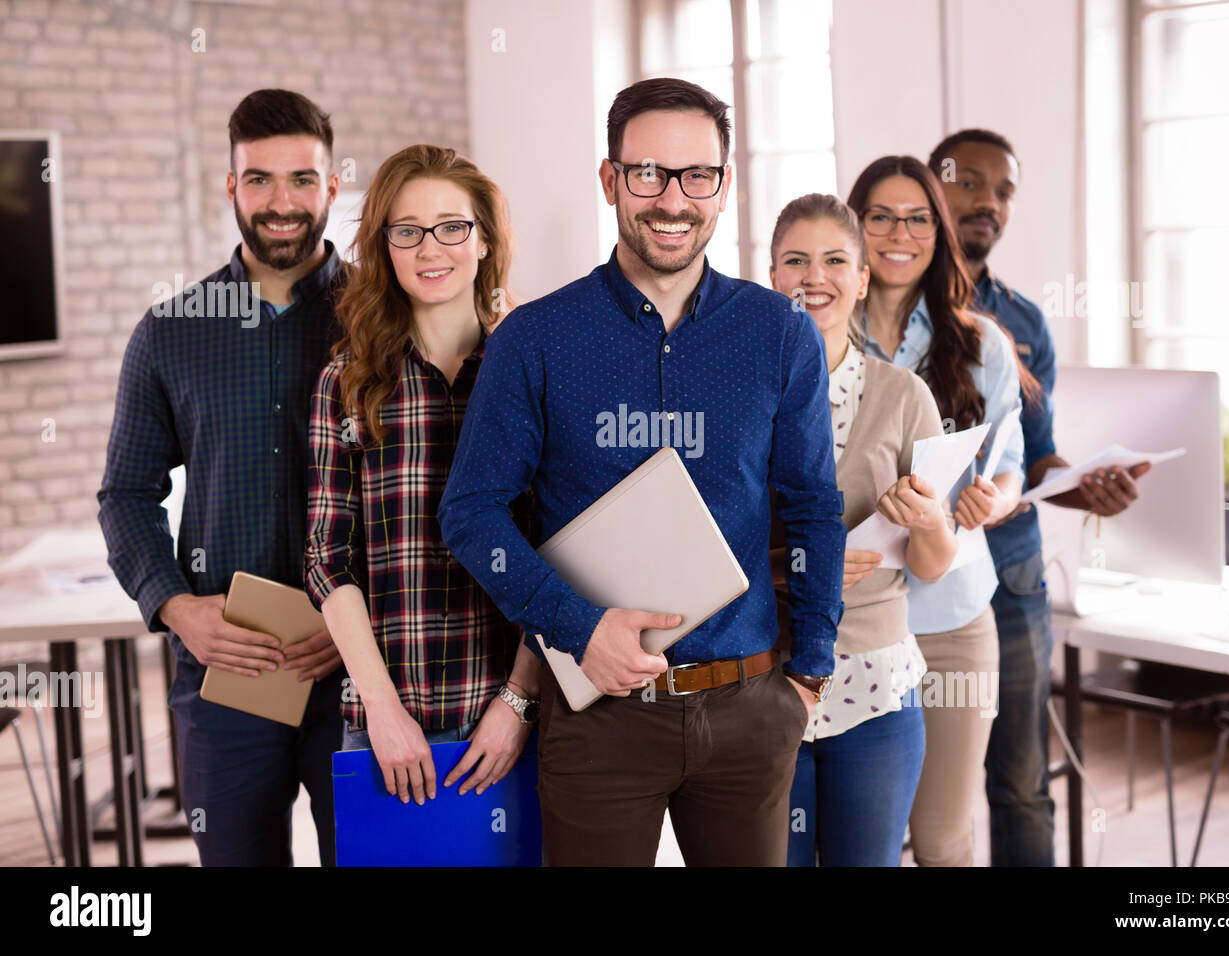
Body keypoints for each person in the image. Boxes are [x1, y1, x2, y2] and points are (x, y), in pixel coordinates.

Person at [438, 77, 846, 866]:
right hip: (598, 719)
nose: (672, 199)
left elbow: (813, 505)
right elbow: (472, 513)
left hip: (751, 707)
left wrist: (811, 673)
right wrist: (578, 625)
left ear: (724, 187)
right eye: (647, 173)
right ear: (610, 179)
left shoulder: (780, 334)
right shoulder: (534, 339)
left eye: (698, 175)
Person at [98, 89, 346, 866]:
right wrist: (175, 607)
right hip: (225, 674)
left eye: (302, 179)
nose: (282, 202)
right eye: (259, 180)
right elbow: (127, 494)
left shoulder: (383, 313)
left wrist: (359, 625)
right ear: (229, 187)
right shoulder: (170, 331)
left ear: (333, 185)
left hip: (360, 666)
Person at [929, 128, 1150, 866]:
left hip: (1013, 575)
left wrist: (1088, 490)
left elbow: (1037, 452)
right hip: (918, 575)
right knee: (912, 786)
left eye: (1004, 190)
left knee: (1021, 782)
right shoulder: (891, 307)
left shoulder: (1024, 322)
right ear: (935, 185)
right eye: (970, 183)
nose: (988, 201)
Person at [303, 144, 541, 806]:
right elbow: (328, 557)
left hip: (514, 711)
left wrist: (519, 700)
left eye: (452, 227)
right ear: (384, 245)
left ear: (484, 238)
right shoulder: (346, 383)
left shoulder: (532, 370)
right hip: (387, 724)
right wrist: (379, 707)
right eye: (407, 231)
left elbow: (559, 547)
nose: (430, 249)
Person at [846, 154, 1031, 867]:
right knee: (859, 843)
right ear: (855, 227)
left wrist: (994, 500)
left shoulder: (981, 343)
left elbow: (1008, 465)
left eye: (919, 217)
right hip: (854, 622)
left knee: (943, 839)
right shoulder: (818, 337)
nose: (900, 233)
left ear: (939, 231)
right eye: (881, 216)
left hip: (952, 620)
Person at [768, 194, 958, 866]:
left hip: (874, 688)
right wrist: (793, 565)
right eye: (795, 260)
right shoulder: (741, 395)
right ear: (772, 276)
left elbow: (933, 564)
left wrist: (931, 518)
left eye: (833, 260)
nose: (813, 276)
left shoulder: (905, 396)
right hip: (766, 683)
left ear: (861, 278)